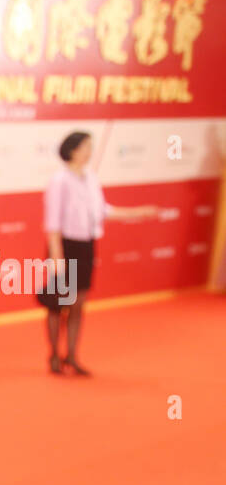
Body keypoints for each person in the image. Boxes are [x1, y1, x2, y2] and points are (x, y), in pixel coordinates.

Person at [40, 130, 158, 375]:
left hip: (86, 245)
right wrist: (57, 258)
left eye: (91, 147)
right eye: (85, 147)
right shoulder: (59, 180)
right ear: (72, 150)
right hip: (64, 246)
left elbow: (102, 210)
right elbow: (53, 223)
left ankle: (71, 355)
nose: (89, 152)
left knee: (79, 303)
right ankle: (53, 354)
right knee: (58, 304)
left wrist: (138, 212)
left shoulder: (91, 178)